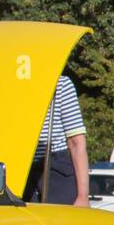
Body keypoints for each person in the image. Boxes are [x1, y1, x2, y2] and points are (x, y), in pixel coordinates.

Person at [24, 75, 90, 206]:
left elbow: (76, 142)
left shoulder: (60, 84)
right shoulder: (6, 84)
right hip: (18, 167)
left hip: (55, 166)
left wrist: (83, 196)